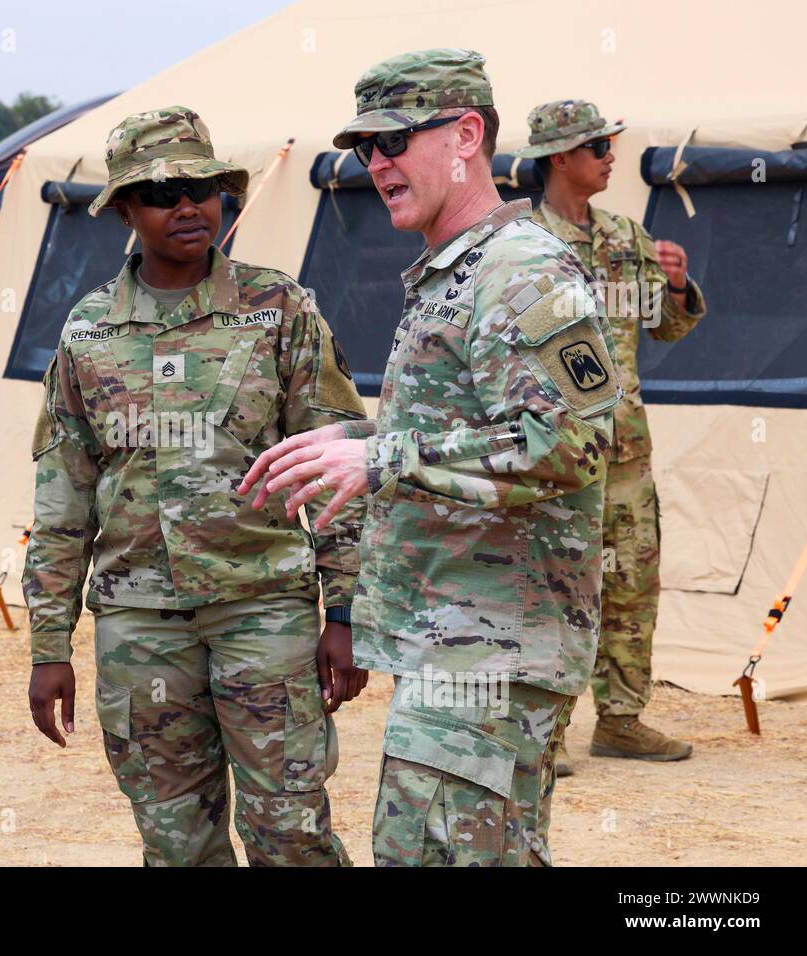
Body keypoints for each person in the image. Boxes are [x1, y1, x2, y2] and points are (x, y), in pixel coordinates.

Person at [240, 50, 620, 866]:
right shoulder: (457, 269)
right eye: (364, 149)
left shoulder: (521, 269)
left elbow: (571, 444)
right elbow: (472, 427)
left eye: (395, 140)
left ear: (466, 135)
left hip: (494, 646)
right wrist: (361, 441)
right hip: (455, 639)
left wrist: (385, 457)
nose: (377, 165)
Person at [24, 106, 369, 866]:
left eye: (203, 188)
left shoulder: (278, 309)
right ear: (124, 210)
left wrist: (347, 611)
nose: (187, 206)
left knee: (290, 832)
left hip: (264, 609)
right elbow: (63, 497)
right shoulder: (88, 330)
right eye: (161, 193)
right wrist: (50, 644)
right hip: (140, 624)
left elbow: (338, 465)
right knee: (175, 839)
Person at [518, 100, 705, 773]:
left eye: (609, 144)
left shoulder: (625, 236)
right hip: (554, 455)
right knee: (556, 588)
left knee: (630, 585)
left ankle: (621, 720)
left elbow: (666, 327)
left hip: (625, 453)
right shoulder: (520, 244)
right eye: (597, 147)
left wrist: (675, 287)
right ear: (559, 158)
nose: (610, 157)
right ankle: (546, 731)